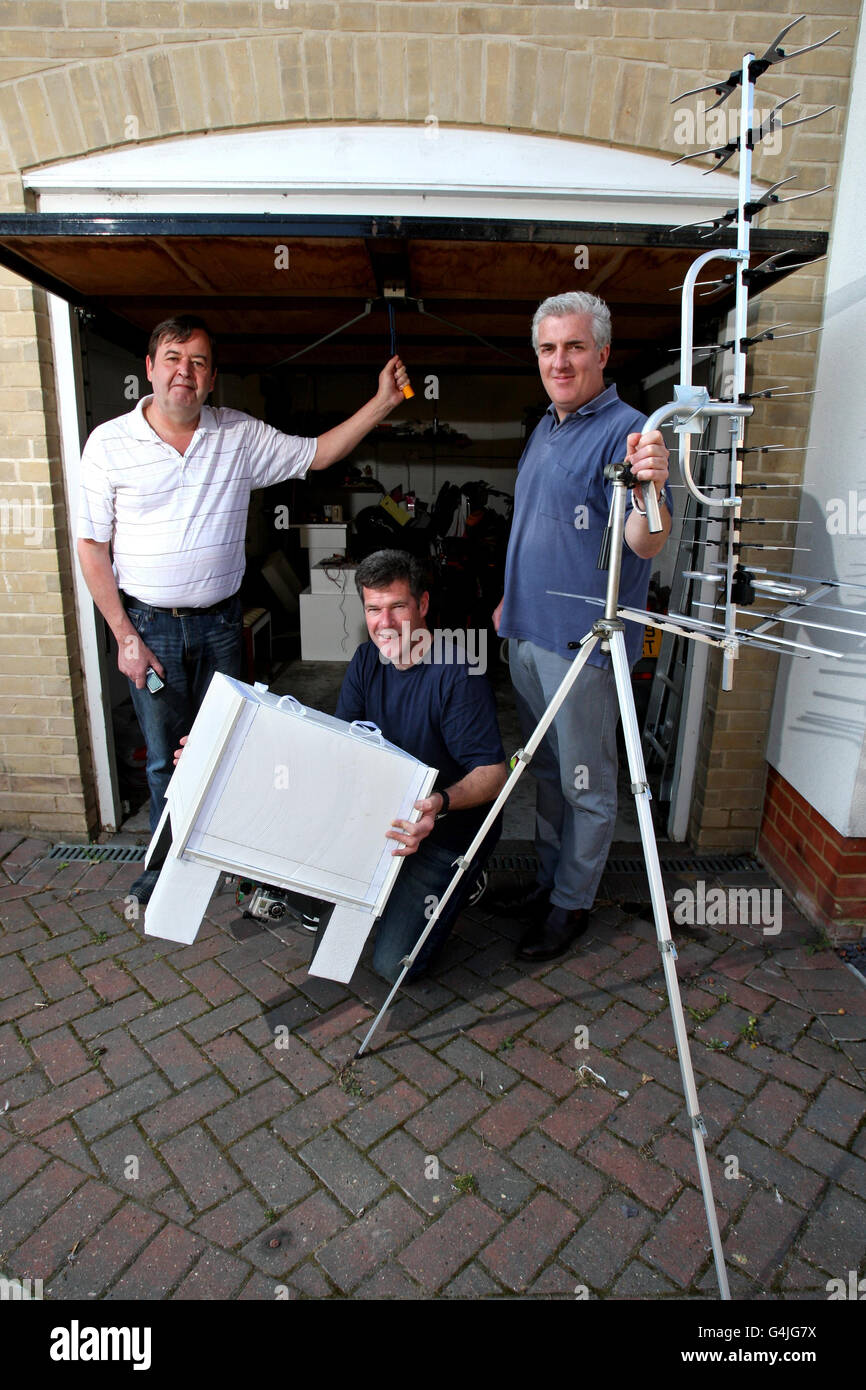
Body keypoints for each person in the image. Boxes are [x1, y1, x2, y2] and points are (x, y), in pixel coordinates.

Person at [76, 315, 411, 902]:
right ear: (149, 369)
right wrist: (124, 636)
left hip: (224, 624)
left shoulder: (238, 435)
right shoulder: (108, 443)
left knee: (233, 748)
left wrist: (382, 403)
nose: (186, 370)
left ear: (210, 380)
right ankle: (164, 872)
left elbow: (319, 453)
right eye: (174, 357)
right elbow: (91, 546)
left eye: (199, 362)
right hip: (149, 628)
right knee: (163, 758)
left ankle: (238, 861)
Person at [491, 291, 672, 963]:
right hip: (528, 634)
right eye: (547, 348)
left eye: (573, 347)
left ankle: (572, 906)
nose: (559, 361)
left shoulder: (629, 433)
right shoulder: (548, 425)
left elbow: (643, 540)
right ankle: (546, 882)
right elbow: (534, 522)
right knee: (544, 774)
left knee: (587, 785)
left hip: (583, 645)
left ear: (601, 352)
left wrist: (653, 488)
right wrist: (510, 600)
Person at [335, 549, 507, 981]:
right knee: (334, 931)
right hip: (389, 815)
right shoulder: (364, 662)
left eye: (397, 606)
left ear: (423, 605)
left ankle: (462, 881)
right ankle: (400, 888)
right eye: (374, 609)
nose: (385, 622)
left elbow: (494, 774)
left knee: (393, 965)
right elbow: (336, 745)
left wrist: (440, 803)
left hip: (450, 825)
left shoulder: (458, 672)